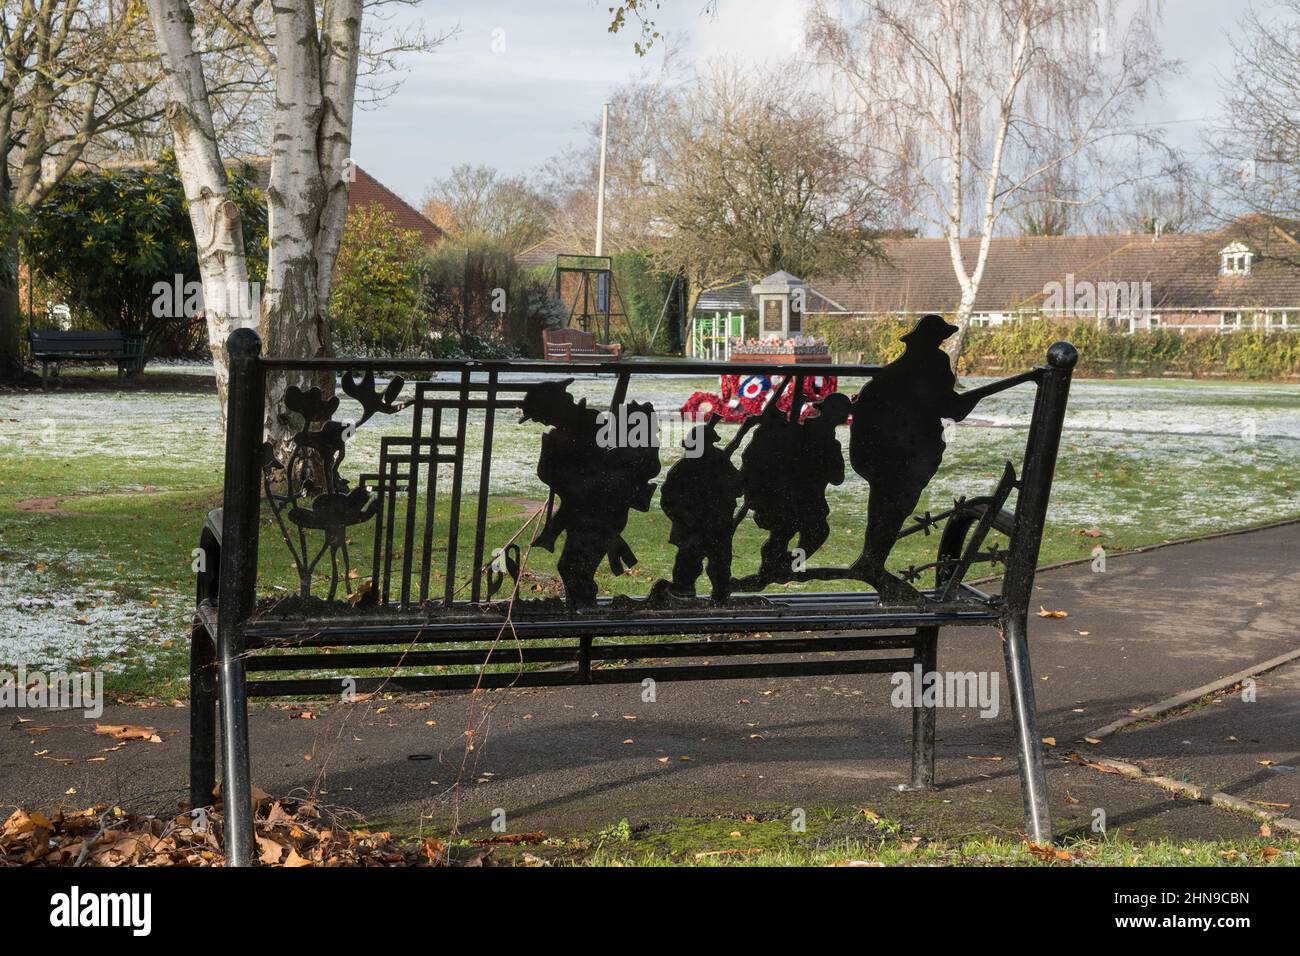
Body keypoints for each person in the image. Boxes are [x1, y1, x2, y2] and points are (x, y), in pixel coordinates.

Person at [848, 314, 980, 604]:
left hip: (891, 455)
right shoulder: (930, 366)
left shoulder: (897, 372)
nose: (941, 343)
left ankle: (871, 562)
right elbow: (950, 407)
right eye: (938, 338)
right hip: (898, 457)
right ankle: (871, 562)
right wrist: (974, 398)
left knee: (888, 508)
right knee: (892, 507)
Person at [520, 379, 660, 607]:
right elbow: (568, 485)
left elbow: (598, 475)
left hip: (601, 511)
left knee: (573, 567)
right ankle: (581, 609)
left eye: (540, 415)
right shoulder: (564, 433)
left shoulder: (590, 425)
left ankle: (583, 611)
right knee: (571, 567)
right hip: (582, 510)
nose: (541, 421)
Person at [660, 415, 743, 601]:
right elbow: (668, 500)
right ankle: (683, 596)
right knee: (687, 569)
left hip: (717, 528)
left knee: (720, 569)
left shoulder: (720, 464)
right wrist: (685, 517)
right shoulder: (684, 469)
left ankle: (720, 597)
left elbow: (738, 487)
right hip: (693, 530)